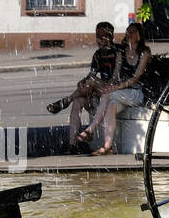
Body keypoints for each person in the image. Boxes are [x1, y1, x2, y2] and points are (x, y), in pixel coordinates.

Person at [78, 21, 151, 155]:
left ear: (139, 36)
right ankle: (107, 146)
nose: (129, 33)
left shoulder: (144, 52)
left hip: (137, 93)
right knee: (111, 106)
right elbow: (116, 75)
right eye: (127, 31)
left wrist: (114, 88)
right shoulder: (120, 52)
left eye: (132, 31)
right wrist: (110, 85)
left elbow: (135, 78)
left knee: (109, 95)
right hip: (122, 93)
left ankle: (91, 129)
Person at [46, 22, 119, 151]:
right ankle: (72, 144)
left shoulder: (118, 52)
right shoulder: (98, 54)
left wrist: (90, 83)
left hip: (114, 91)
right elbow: (91, 75)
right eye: (97, 35)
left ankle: (65, 101)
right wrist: (83, 83)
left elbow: (115, 79)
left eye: (103, 36)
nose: (99, 39)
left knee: (91, 81)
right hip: (100, 90)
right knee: (77, 102)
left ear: (111, 36)